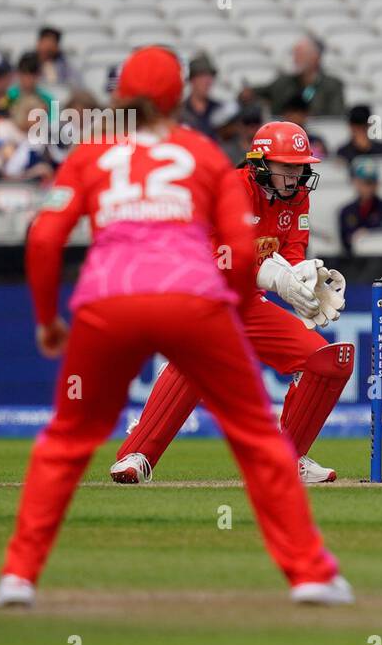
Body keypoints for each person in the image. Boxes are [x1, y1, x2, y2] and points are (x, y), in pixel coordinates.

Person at [0, 48, 351, 608]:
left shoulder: (93, 153)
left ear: (120, 98)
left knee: (65, 441)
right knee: (257, 438)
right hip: (190, 299)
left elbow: (43, 239)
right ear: (178, 98)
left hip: (108, 300)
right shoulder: (201, 154)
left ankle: (18, 575)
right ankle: (309, 573)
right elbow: (235, 249)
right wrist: (245, 300)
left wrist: (47, 320)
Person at [110, 117, 349, 486]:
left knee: (327, 362)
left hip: (246, 304)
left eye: (301, 168)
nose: (296, 177)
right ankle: (137, 455)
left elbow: (293, 249)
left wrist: (307, 278)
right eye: (287, 167)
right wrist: (275, 277)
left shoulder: (298, 196)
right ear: (260, 163)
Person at [253, 36, 345, 117]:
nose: (295, 59)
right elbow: (258, 92)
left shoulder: (332, 85)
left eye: (301, 55)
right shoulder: (283, 82)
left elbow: (336, 117)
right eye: (295, 55)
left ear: (316, 58)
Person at [338, 157, 382, 254]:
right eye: (366, 182)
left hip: (381, 255)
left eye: (372, 182)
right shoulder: (346, 210)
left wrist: (367, 233)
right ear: (356, 182)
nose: (369, 187)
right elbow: (345, 240)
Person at [179, 54, 222, 138]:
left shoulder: (219, 110)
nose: (207, 81)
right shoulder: (180, 112)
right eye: (201, 76)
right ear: (192, 79)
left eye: (210, 76)